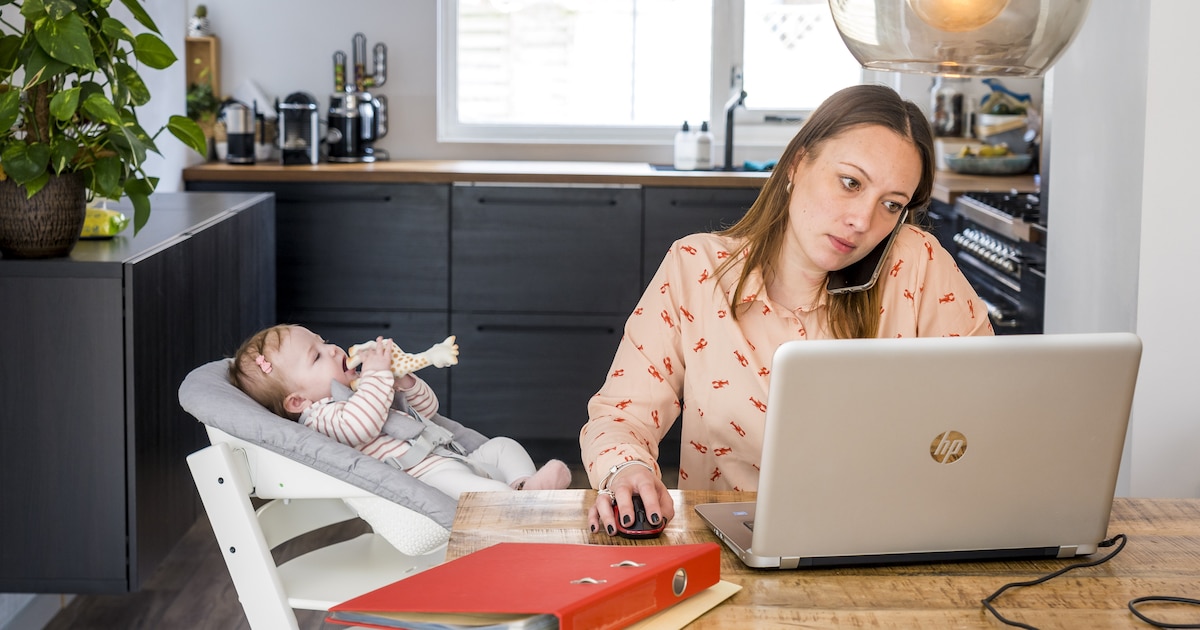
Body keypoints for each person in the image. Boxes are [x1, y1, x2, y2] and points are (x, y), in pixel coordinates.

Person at [581, 84, 993, 536]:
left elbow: (989, 413)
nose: (862, 221)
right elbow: (621, 416)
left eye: (891, 204)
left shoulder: (918, 264)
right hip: (730, 555)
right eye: (850, 183)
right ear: (798, 163)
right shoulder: (695, 269)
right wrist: (624, 470)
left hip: (889, 541)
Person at [230, 324, 571, 500]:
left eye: (323, 341)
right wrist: (378, 376)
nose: (332, 349)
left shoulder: (363, 387)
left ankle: (524, 487)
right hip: (422, 477)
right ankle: (516, 504)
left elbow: (429, 413)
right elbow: (360, 427)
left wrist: (404, 381)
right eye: (317, 356)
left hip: (450, 455)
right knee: (472, 491)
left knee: (503, 445)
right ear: (297, 401)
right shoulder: (320, 417)